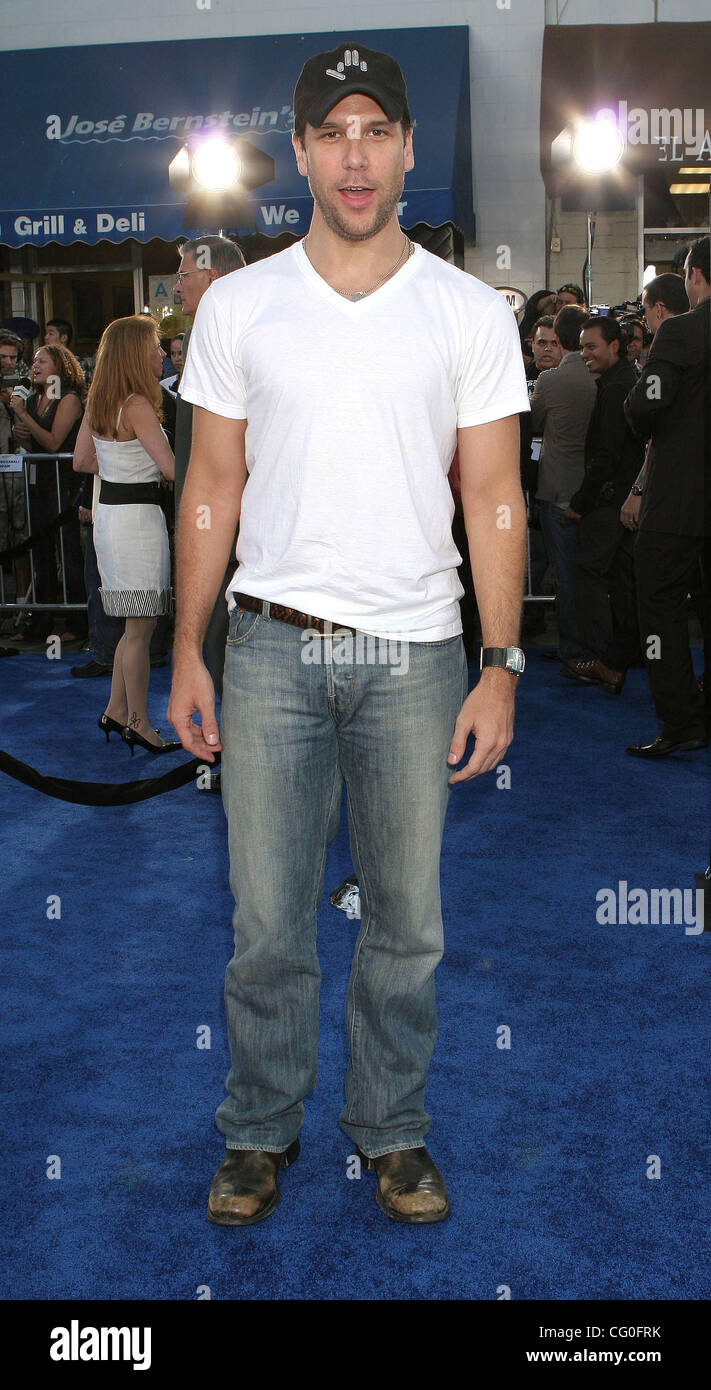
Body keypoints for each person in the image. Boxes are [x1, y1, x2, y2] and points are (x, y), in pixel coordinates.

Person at [168, 40, 529, 1228]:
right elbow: (211, 482)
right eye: (333, 131)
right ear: (306, 153)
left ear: (410, 148)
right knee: (265, 921)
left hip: (420, 654)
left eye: (378, 129)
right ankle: (259, 1132)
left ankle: (394, 1129)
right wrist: (184, 649)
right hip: (268, 648)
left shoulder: (470, 312)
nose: (358, 153)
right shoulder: (242, 303)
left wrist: (499, 661)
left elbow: (494, 500)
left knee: (407, 924)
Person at [73, 315, 180, 754]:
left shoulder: (100, 402)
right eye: (155, 345)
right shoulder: (136, 404)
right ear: (136, 352)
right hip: (137, 524)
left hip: (112, 522)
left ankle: (117, 710)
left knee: (129, 628)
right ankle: (139, 723)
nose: (161, 353)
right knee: (140, 631)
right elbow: (174, 469)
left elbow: (82, 461)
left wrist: (121, 469)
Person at [622, 241, 710, 758]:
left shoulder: (679, 331)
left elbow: (643, 407)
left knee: (660, 608)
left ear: (694, 275)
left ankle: (680, 720)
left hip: (678, 501)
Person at [561, 315, 644, 694]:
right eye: (581, 346)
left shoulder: (616, 388)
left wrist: (581, 501)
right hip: (623, 499)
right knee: (620, 581)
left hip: (611, 501)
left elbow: (606, 455)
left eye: (591, 346)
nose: (585, 353)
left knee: (590, 573)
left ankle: (601, 660)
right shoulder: (622, 381)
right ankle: (616, 659)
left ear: (615, 346)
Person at [531, 304, 597, 663]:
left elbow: (535, 421)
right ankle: (591, 645)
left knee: (565, 574)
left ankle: (573, 649)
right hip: (593, 490)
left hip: (557, 489)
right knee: (589, 574)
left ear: (558, 338)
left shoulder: (551, 381)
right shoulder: (599, 379)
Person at [10, 344, 87, 641]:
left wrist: (23, 416)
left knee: (67, 551)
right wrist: (24, 438)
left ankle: (76, 622)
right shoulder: (34, 399)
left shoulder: (67, 399)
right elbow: (38, 445)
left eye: (42, 361)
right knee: (39, 552)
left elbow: (55, 443)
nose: (35, 366)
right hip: (39, 483)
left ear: (60, 366)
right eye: (33, 361)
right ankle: (39, 623)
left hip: (64, 484)